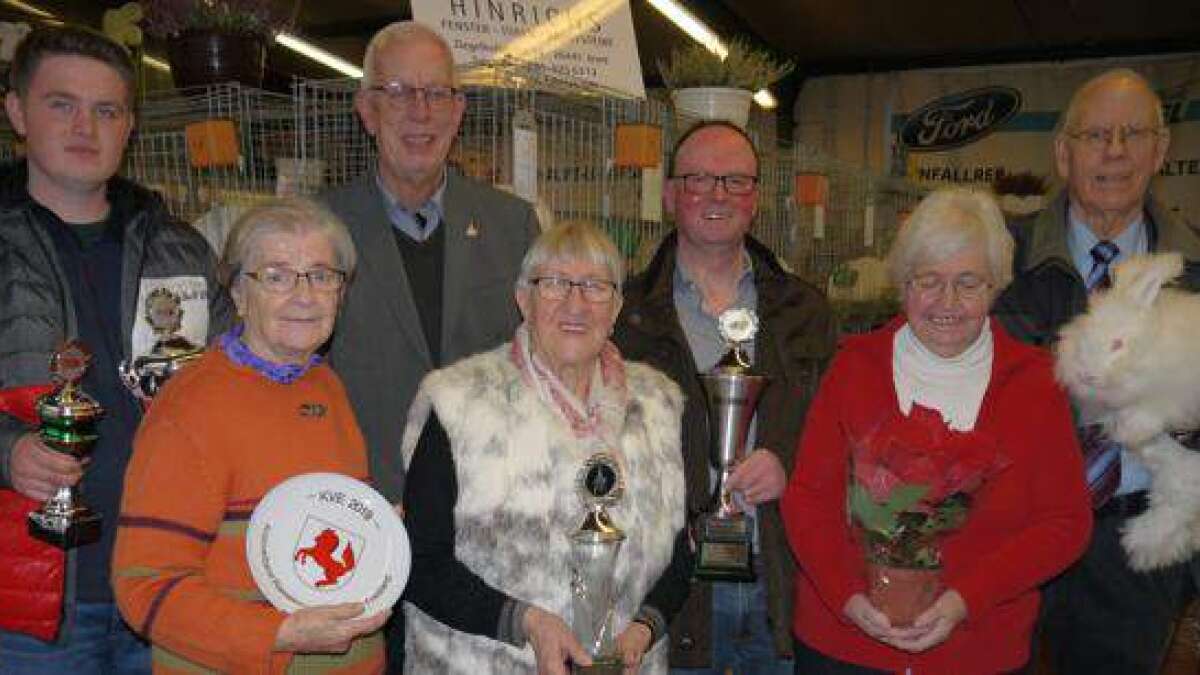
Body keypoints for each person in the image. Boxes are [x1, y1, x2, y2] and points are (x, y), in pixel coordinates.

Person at [782, 188, 1093, 673]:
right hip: (844, 645)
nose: (947, 302)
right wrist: (847, 597)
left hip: (978, 649)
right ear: (902, 284)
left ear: (996, 287)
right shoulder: (853, 367)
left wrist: (968, 597)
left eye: (969, 282)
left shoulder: (1035, 382)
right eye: (929, 281)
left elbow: (1065, 523)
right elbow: (808, 500)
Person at [0, 25, 232, 673]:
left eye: (106, 110)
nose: (85, 127)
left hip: (169, 586)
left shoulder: (181, 247)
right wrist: (7, 450)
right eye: (61, 104)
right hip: (28, 605)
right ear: (16, 111)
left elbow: (238, 387)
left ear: (129, 125)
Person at [321, 24, 538, 666]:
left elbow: (540, 359)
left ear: (460, 110)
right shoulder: (319, 227)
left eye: (437, 94)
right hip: (365, 520)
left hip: (486, 530)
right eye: (398, 92)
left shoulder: (512, 223)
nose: (420, 113)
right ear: (366, 110)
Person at [112, 198, 389, 673]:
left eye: (322, 275)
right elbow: (145, 587)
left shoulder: (325, 385)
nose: (304, 295)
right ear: (238, 293)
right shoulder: (191, 406)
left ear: (341, 293)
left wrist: (376, 530)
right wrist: (280, 635)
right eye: (277, 276)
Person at [401, 221, 689, 673]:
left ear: (616, 306)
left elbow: (680, 549)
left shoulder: (658, 403)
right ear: (523, 300)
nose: (576, 304)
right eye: (553, 284)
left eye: (595, 287)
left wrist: (645, 629)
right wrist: (526, 622)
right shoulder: (459, 402)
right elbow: (420, 562)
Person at [992, 68, 1200, 674]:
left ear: (1160, 150)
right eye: (1095, 136)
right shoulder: (1002, 258)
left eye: (1133, 133)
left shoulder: (1195, 272)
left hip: (1136, 541)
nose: (1114, 152)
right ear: (1063, 153)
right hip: (1015, 528)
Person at [613, 121, 834, 673]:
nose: (717, 195)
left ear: (755, 198)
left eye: (735, 181)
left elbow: (841, 434)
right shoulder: (624, 315)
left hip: (780, 576)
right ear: (669, 196)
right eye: (698, 179)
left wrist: (790, 464)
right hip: (672, 587)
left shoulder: (804, 311)